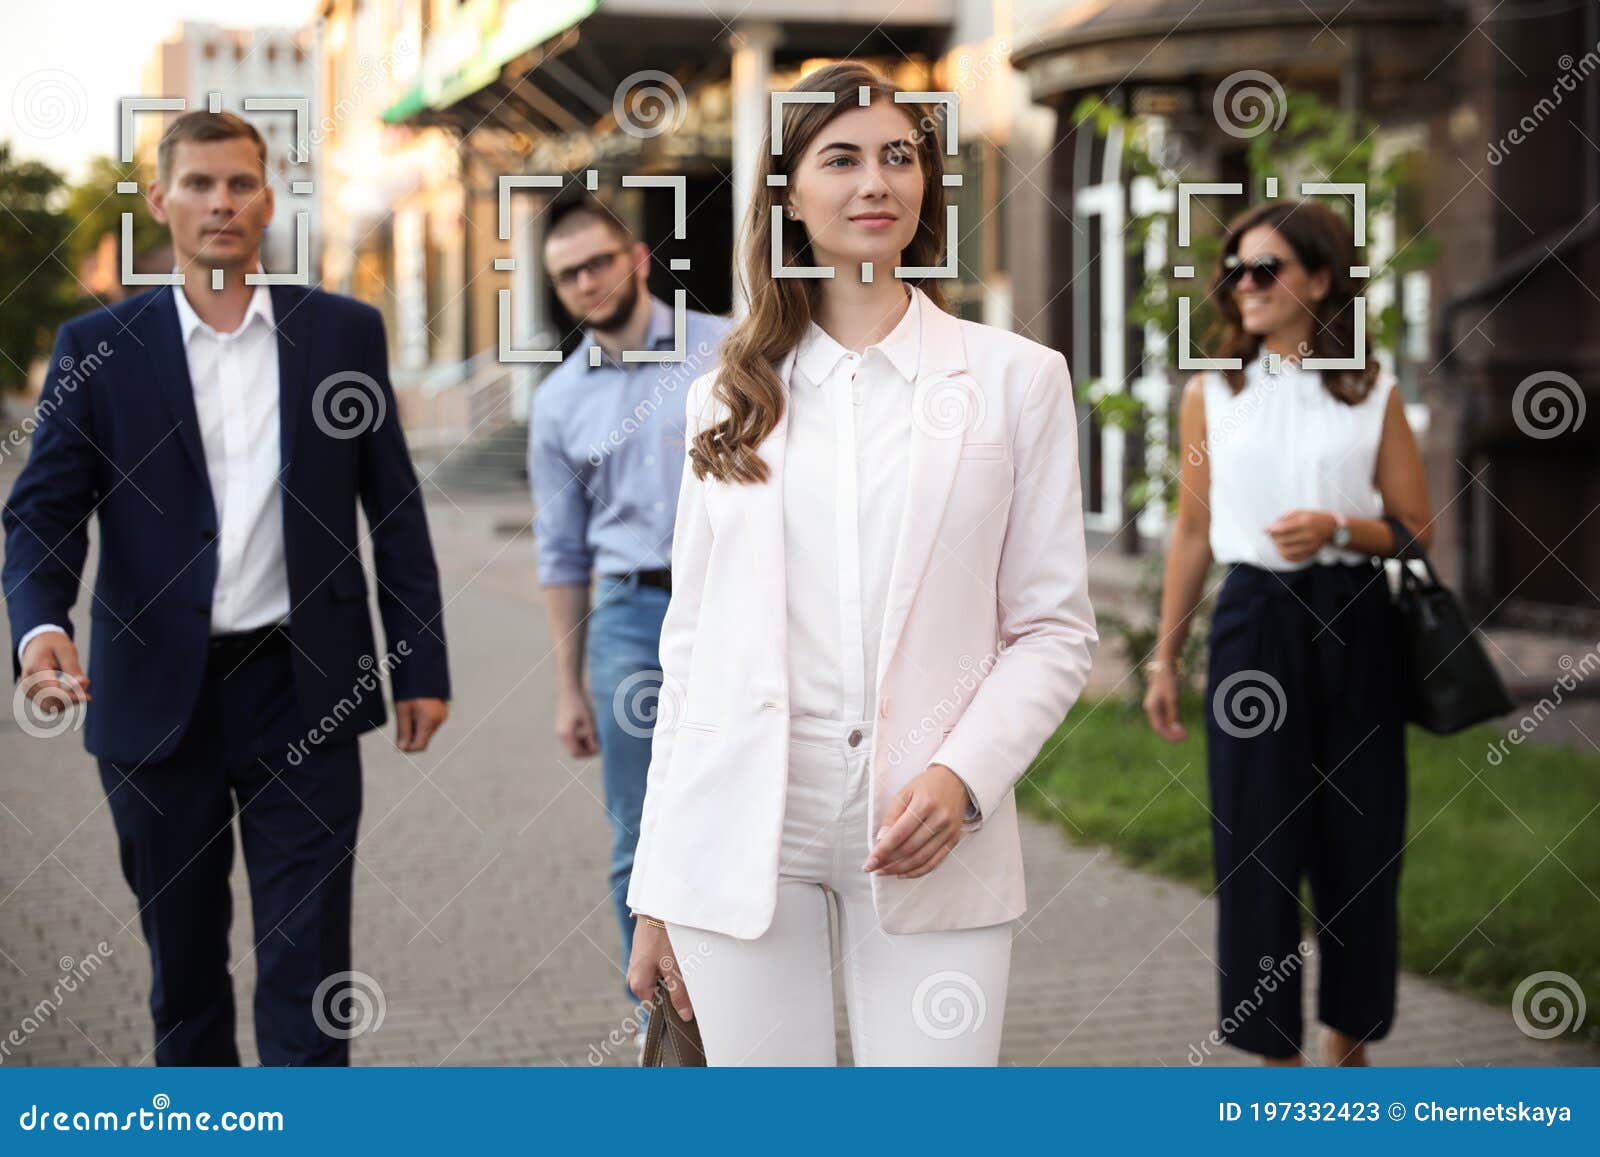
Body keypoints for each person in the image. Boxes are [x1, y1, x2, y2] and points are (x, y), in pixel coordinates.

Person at [622, 61, 1098, 1065]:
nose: (875, 182)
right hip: (739, 829)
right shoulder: (725, 397)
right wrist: (656, 886)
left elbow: (1053, 629)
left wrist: (963, 774)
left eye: (898, 157)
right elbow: (691, 647)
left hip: (932, 827)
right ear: (790, 196)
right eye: (840, 159)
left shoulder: (1018, 380)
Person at [2, 111, 451, 1065]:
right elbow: (43, 513)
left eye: (241, 183)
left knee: (309, 968)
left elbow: (396, 510)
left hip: (306, 691)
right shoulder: (97, 347)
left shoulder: (341, 333)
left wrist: (420, 663)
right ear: (162, 201)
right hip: (156, 702)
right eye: (199, 184)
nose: (221, 203)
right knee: (186, 973)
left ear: (268, 199)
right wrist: (40, 626)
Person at [1142, 199, 1432, 1066]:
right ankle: (1274, 1056)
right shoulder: (1212, 391)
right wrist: (1165, 657)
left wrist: (1339, 527)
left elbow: (1416, 528)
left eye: (1265, 267)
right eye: (1235, 268)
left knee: (1362, 838)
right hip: (1253, 621)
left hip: (1356, 620)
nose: (1244, 283)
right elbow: (1193, 532)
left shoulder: (1373, 390)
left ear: (1321, 278)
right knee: (1255, 840)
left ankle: (1348, 1040)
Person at [526, 193, 728, 1036]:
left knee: (745, 810)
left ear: (637, 259)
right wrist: (568, 686)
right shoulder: (557, 402)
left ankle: (746, 1013)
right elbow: (561, 554)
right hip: (627, 617)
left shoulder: (729, 346)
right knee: (639, 833)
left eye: (599, 262)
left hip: (734, 605)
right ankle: (667, 1034)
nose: (587, 281)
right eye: (568, 274)